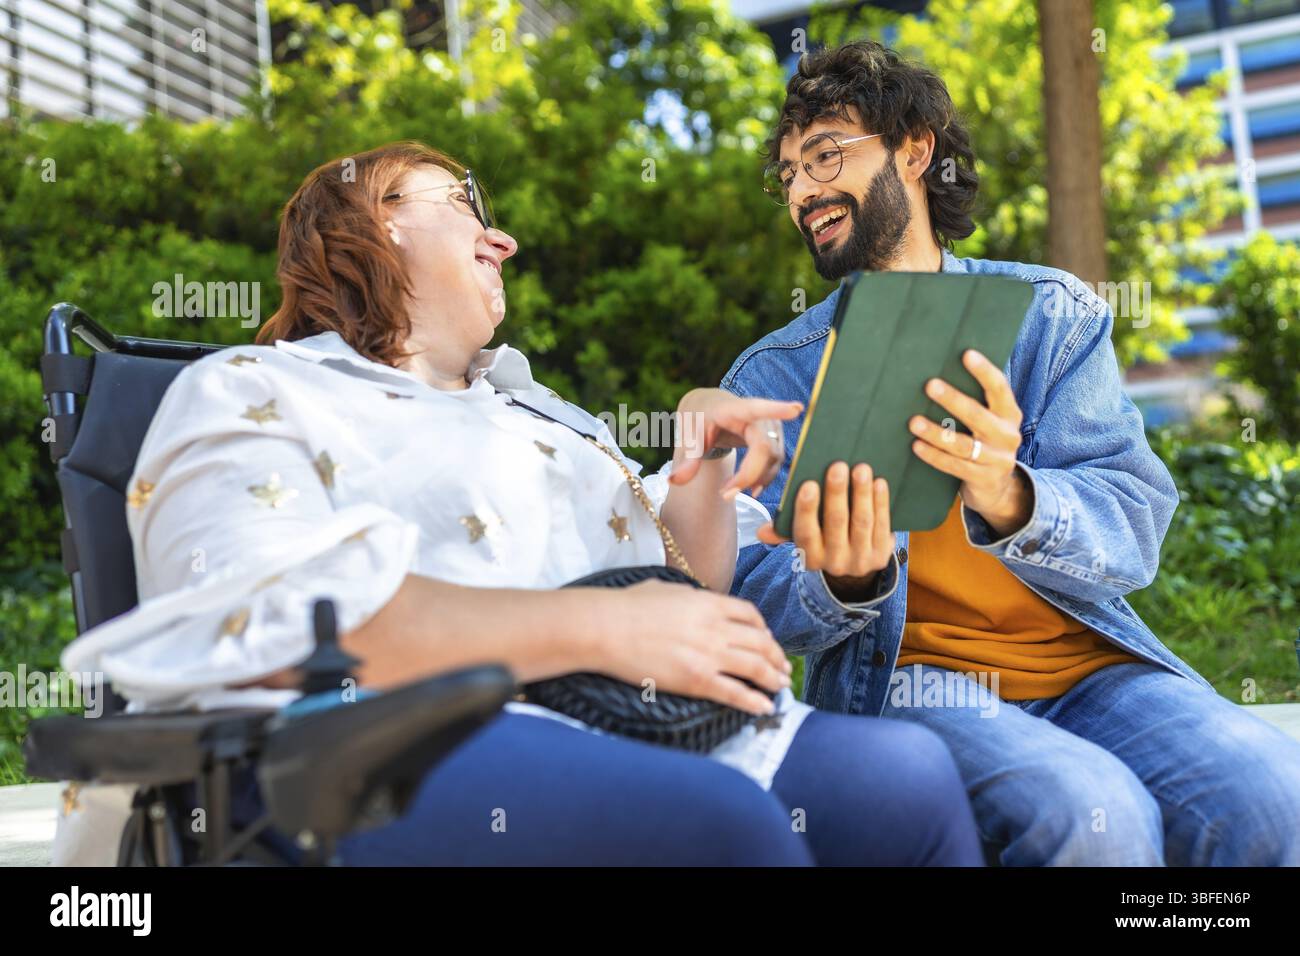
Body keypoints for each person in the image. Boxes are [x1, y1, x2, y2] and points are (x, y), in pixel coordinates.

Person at [57, 141, 983, 867]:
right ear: (367, 229)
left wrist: (696, 467)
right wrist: (595, 630)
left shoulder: (537, 417)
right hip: (373, 734)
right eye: (461, 207)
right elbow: (274, 615)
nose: (500, 238)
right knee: (716, 831)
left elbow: (671, 596)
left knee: (905, 780)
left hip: (616, 716)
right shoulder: (255, 388)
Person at [723, 39, 1300, 866]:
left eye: (825, 157)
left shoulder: (1050, 316)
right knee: (1090, 813)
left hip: (1092, 670)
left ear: (915, 149)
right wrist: (841, 579)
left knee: (1277, 795)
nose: (804, 191)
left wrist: (1011, 494)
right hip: (910, 685)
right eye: (789, 176)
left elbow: (1134, 525)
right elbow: (742, 589)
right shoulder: (769, 377)